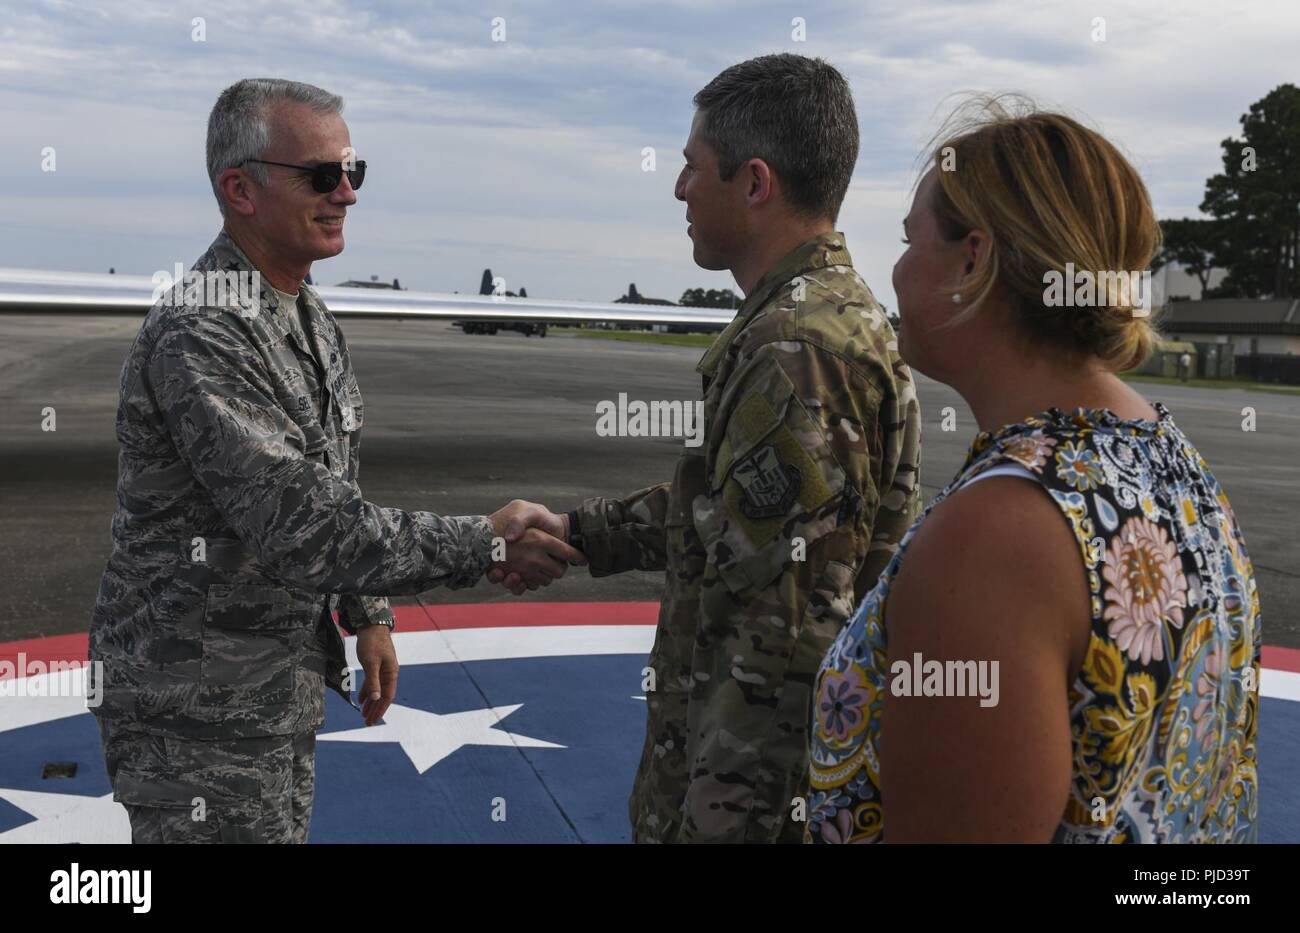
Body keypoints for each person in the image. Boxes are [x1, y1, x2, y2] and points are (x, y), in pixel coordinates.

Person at [89, 78, 581, 844]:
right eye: (322, 175)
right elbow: (304, 521)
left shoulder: (307, 314)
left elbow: (335, 481)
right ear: (239, 188)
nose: (346, 193)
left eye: (355, 172)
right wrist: (485, 540)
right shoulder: (204, 331)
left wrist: (370, 615)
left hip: (272, 689)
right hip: (194, 709)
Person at [807, 96, 1260, 843]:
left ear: (973, 258)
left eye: (907, 238)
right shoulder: (1176, 466)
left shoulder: (995, 536)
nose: (893, 269)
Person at [495, 54, 922, 843]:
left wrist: (719, 822)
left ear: (754, 183)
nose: (679, 189)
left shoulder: (796, 350)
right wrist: (577, 533)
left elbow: (782, 634)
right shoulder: (812, 322)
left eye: (693, 168)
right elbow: (730, 517)